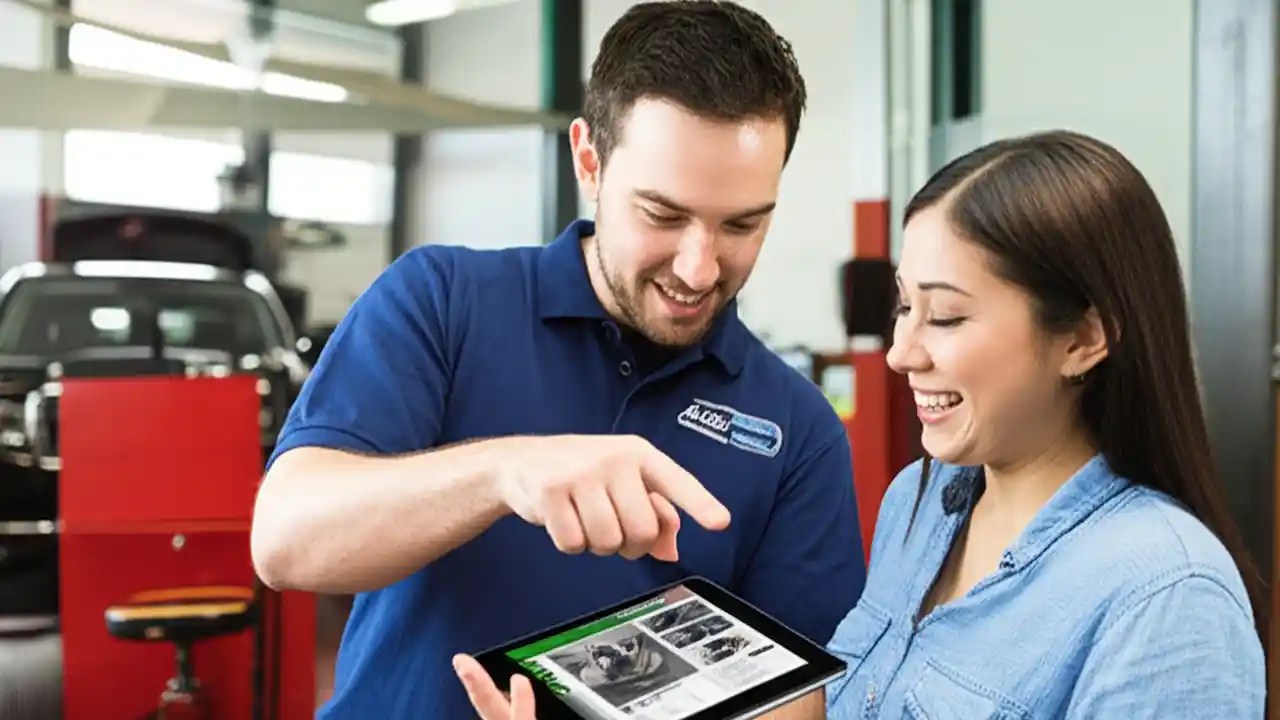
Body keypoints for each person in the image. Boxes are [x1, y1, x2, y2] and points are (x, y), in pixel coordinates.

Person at [451, 129, 1269, 719]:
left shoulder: (1167, 596)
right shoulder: (922, 501)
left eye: (946, 317)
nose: (901, 352)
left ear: (1084, 338)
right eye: (903, 306)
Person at [249, 2, 866, 718]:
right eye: (662, 215)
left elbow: (800, 698)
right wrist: (505, 471)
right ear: (589, 161)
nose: (698, 269)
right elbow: (286, 542)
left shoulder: (797, 429)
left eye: (741, 224)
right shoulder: (442, 301)